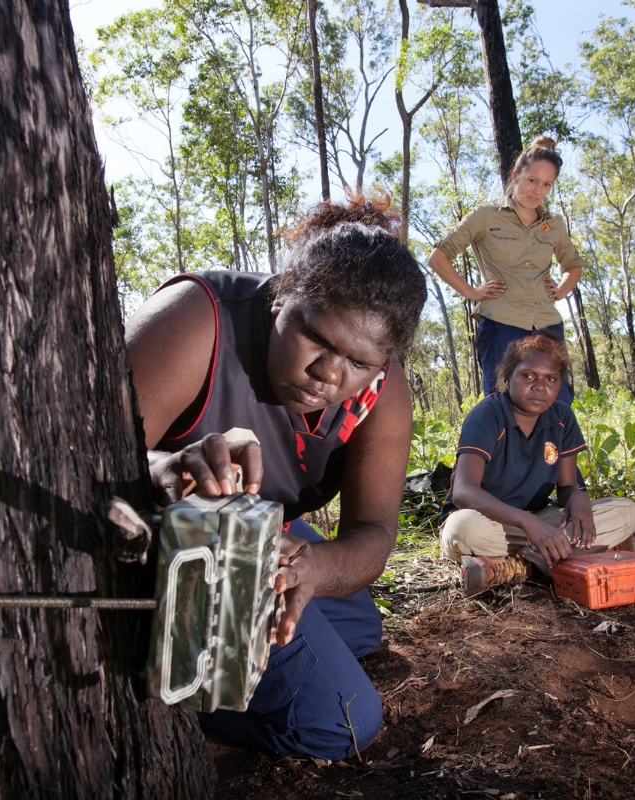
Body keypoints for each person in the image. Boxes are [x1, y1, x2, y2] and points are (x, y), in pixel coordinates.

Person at [125, 190, 428, 761]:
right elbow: (83, 461)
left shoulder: (381, 393)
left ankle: (229, 661)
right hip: (172, 553)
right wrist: (168, 471)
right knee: (345, 724)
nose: (328, 374)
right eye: (315, 337)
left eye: (359, 362)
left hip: (260, 545)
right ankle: (176, 689)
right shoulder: (199, 319)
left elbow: (374, 535)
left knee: (360, 623)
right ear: (281, 297)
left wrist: (313, 570)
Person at [438, 331, 635, 596]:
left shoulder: (561, 416)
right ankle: (579, 553)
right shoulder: (488, 414)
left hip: (537, 520)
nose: (539, 386)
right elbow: (464, 492)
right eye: (528, 376)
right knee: (462, 529)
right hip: (488, 522)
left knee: (628, 510)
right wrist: (528, 524)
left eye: (551, 379)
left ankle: (517, 566)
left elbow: (567, 485)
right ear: (507, 376)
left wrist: (577, 497)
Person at [427, 136, 586, 402]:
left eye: (547, 184)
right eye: (532, 180)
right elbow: (438, 257)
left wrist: (560, 290)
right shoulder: (485, 216)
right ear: (516, 176)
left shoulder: (554, 224)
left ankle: (550, 447)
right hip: (502, 324)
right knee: (500, 402)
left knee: (557, 403)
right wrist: (472, 292)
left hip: (547, 325)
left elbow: (574, 265)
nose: (537, 190)